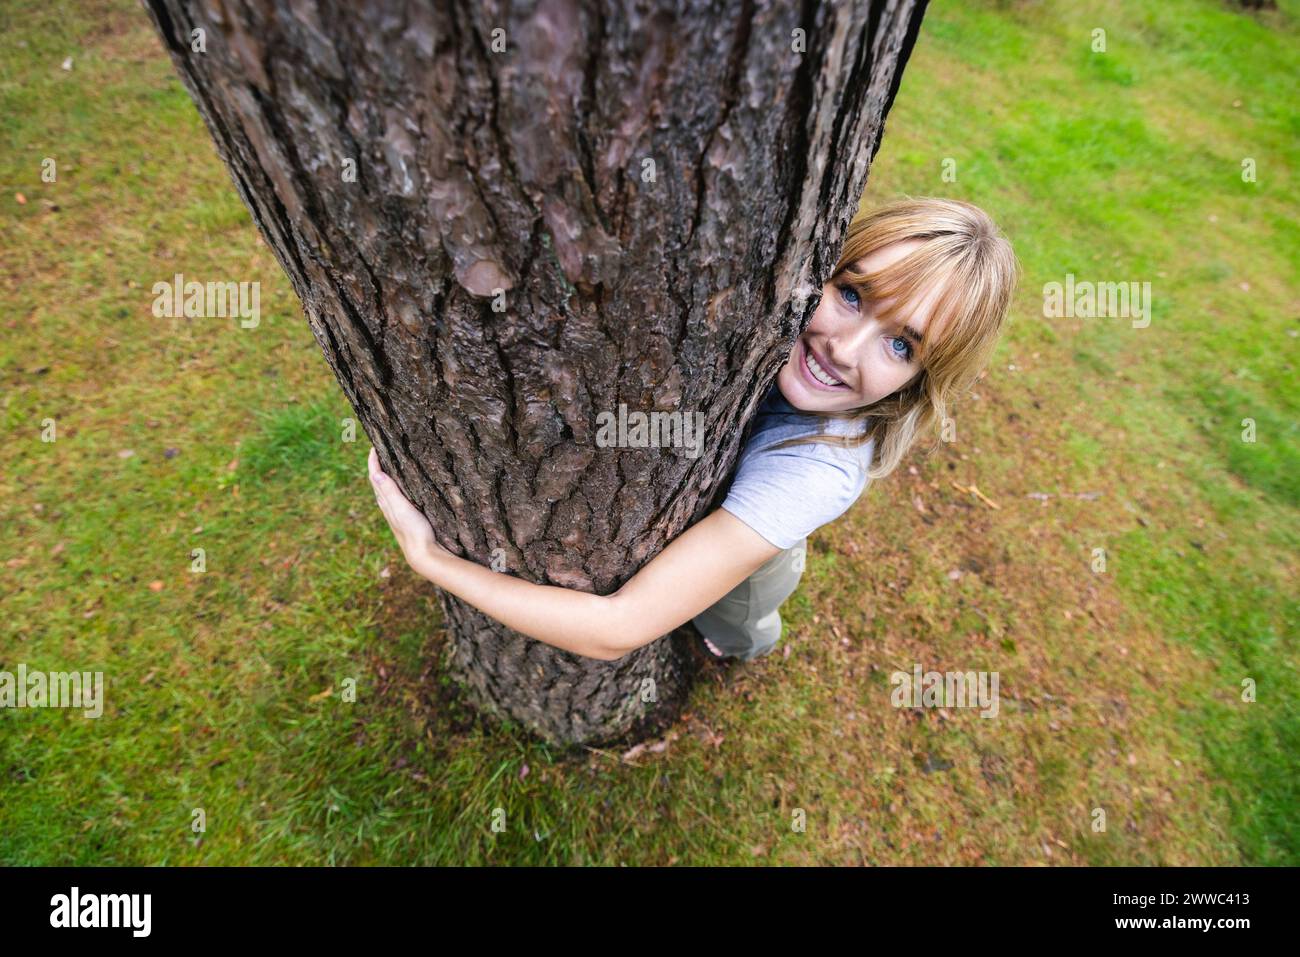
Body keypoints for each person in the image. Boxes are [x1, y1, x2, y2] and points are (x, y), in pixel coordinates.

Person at [369, 197, 1018, 663]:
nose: (847, 348)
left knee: (730, 623)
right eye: (851, 294)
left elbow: (615, 627)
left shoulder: (817, 471)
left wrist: (432, 560)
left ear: (920, 381)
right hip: (713, 514)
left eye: (901, 346)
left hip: (750, 571)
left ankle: (746, 646)